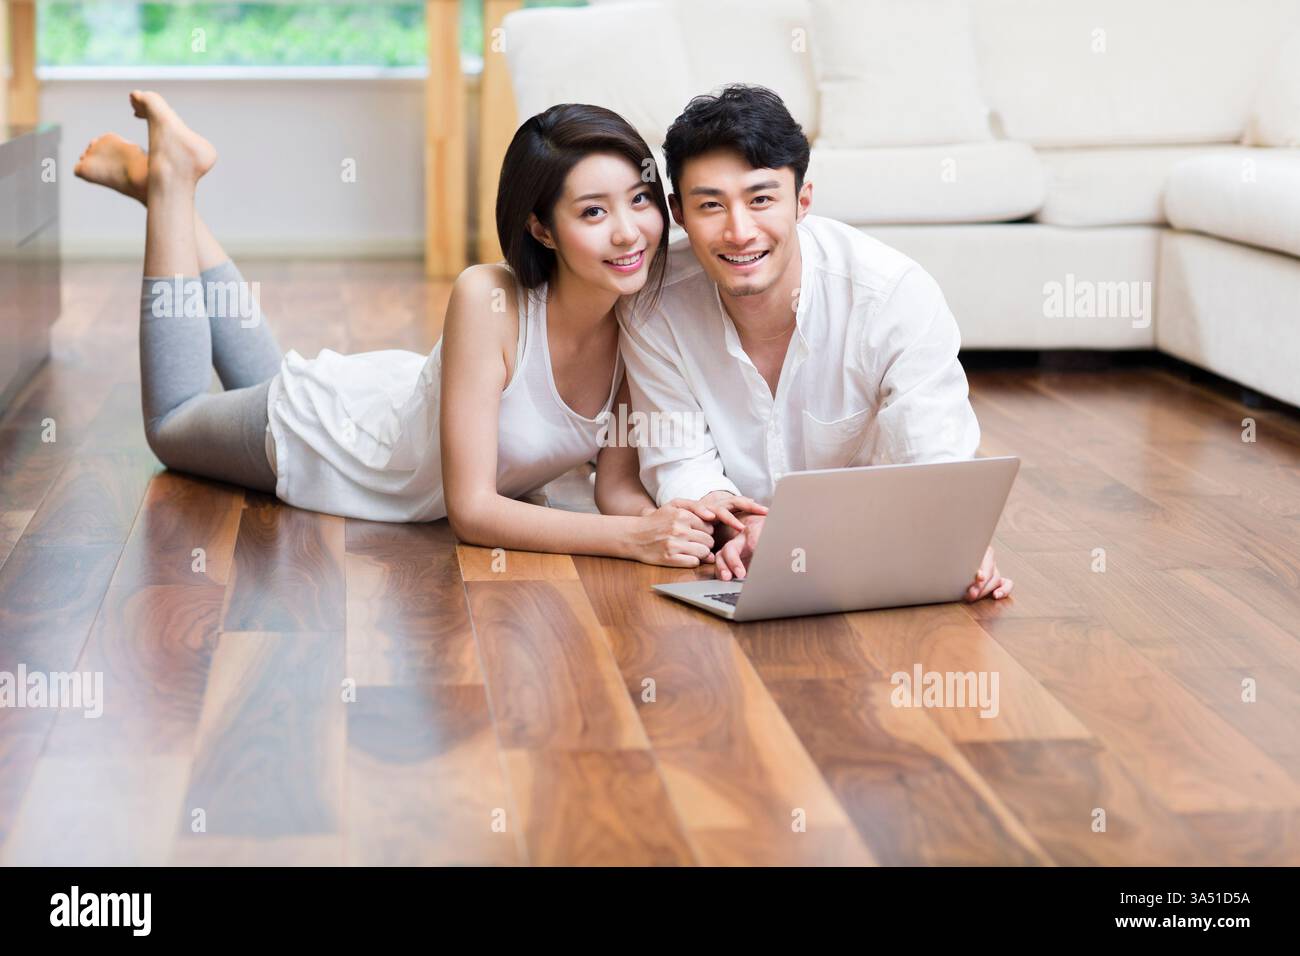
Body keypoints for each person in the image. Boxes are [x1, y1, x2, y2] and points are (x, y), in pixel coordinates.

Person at [72, 91, 764, 566]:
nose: (629, 232)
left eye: (640, 200)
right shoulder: (486, 298)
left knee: (260, 377)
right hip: (332, 441)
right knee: (175, 422)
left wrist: (691, 528)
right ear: (538, 227)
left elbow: (616, 489)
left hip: (393, 404)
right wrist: (631, 541)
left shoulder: (640, 315)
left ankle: (172, 186)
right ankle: (168, 186)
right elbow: (471, 511)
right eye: (591, 212)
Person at [611, 85, 1014, 601]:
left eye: (761, 200)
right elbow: (680, 460)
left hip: (877, 550)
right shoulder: (654, 305)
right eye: (711, 205)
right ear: (679, 213)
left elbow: (935, 461)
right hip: (734, 564)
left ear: (803, 200)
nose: (739, 231)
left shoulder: (892, 297)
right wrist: (738, 525)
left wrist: (956, 538)